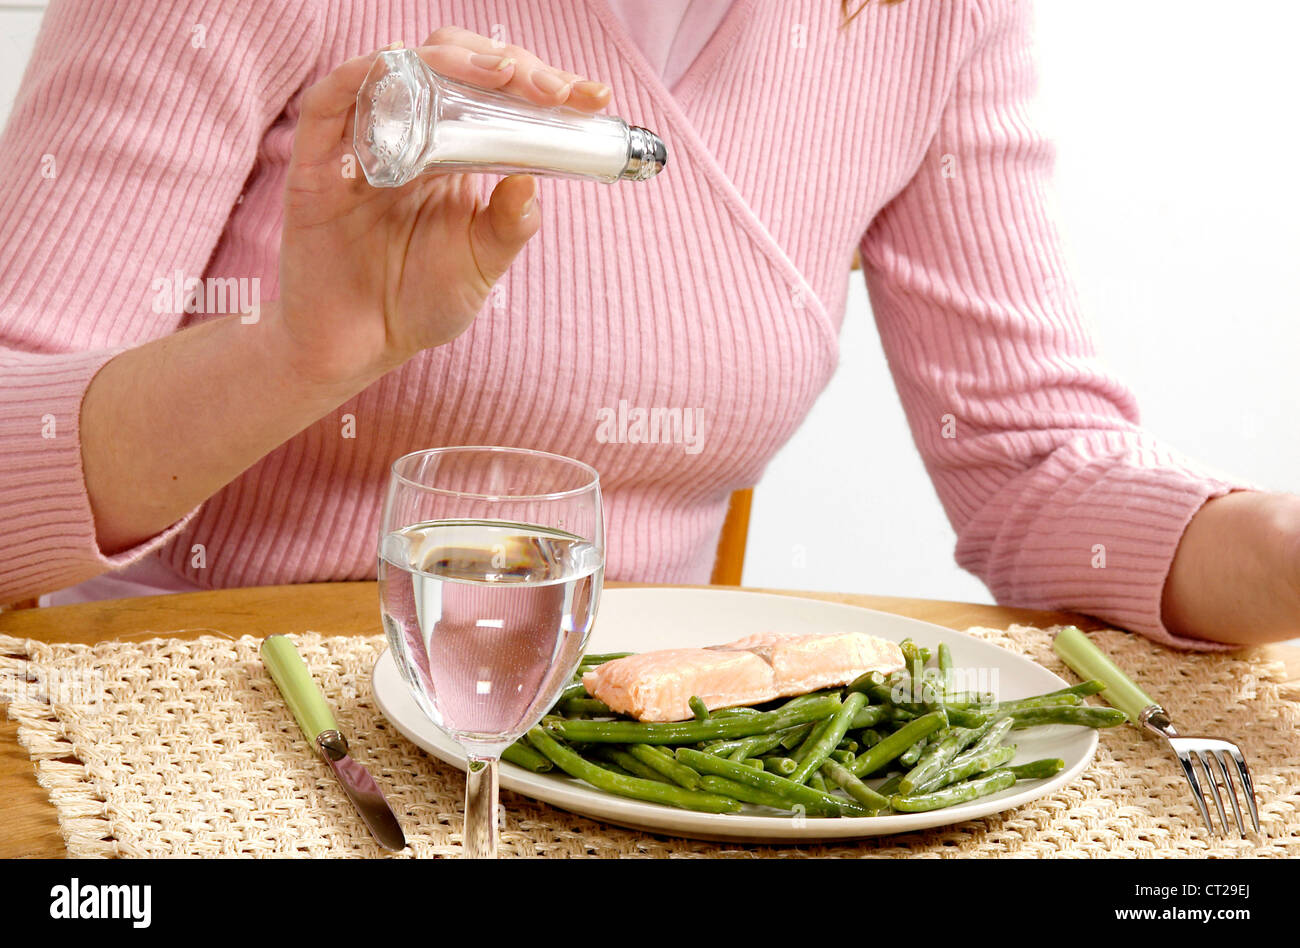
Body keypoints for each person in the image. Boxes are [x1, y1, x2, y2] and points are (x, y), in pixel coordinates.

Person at [0, 0, 1296, 646]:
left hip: (621, 775)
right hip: (187, 733)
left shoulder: (926, 21)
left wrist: (1282, 548)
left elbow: (1039, 471)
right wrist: (295, 357)